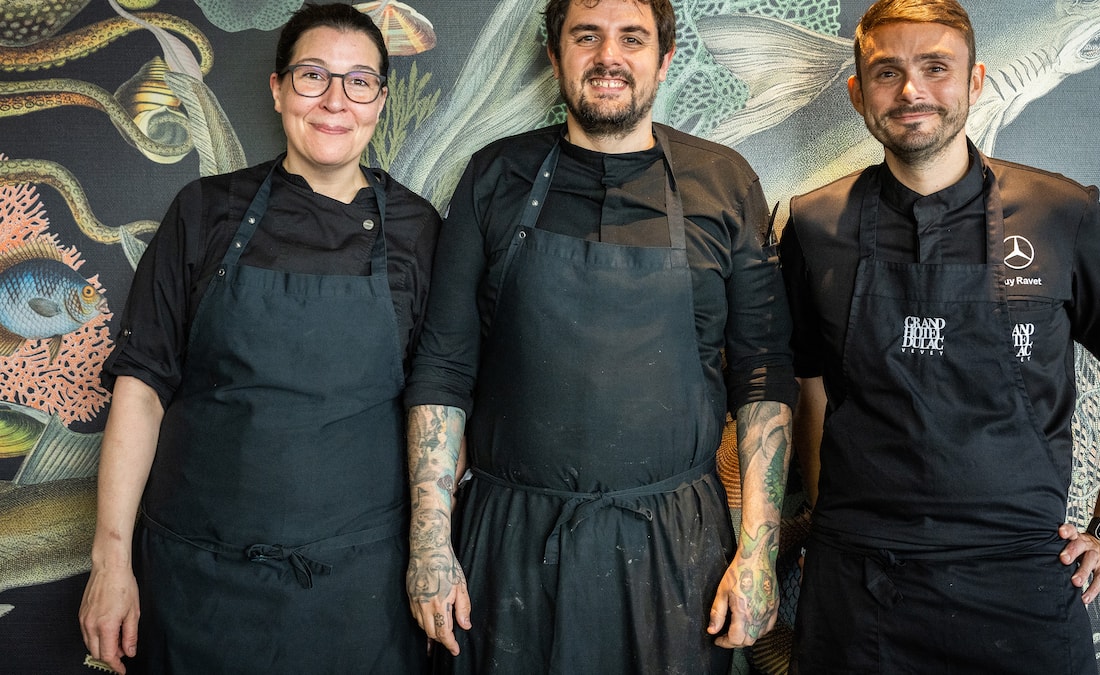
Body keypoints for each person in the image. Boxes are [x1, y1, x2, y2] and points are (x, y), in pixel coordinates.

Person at [779, 0, 1100, 672]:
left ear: (975, 80)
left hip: (1020, 580)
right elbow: (808, 380)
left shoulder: (1063, 213)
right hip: (859, 592)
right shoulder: (813, 225)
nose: (912, 91)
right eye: (886, 73)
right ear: (856, 93)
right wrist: (830, 513)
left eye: (936, 68)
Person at [402, 0, 796, 672]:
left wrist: (758, 549)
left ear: (665, 59)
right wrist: (430, 545)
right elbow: (442, 369)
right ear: (555, 56)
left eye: (632, 38)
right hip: (509, 544)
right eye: (586, 36)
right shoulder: (493, 177)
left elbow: (762, 376)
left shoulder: (724, 183)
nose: (609, 56)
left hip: (675, 554)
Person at [77, 4, 440, 673]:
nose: (335, 100)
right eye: (312, 76)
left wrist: (432, 555)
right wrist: (111, 559)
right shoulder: (203, 212)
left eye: (359, 81)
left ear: (380, 101)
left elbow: (436, 405)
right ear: (277, 89)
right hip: (197, 587)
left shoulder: (419, 231)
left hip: (358, 595)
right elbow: (142, 386)